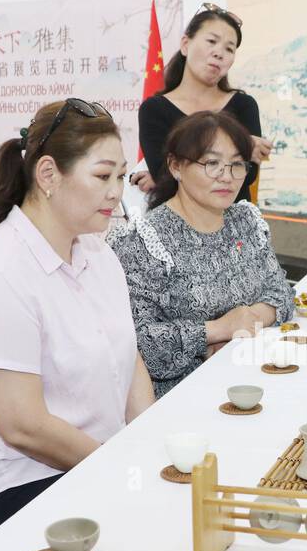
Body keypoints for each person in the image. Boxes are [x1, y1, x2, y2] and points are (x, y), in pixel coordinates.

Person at [0, 99, 155, 534]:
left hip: (91, 461)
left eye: (119, 176)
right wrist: (119, 466)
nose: (117, 191)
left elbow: (130, 359)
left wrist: (146, 449)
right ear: (48, 176)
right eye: (101, 176)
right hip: (17, 485)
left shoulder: (99, 253)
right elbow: (25, 427)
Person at [109, 110, 293, 397]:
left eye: (236, 165)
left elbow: (280, 291)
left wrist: (246, 320)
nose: (227, 177)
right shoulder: (143, 241)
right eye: (211, 163)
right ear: (176, 166)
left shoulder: (245, 220)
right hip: (183, 401)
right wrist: (217, 330)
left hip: (254, 382)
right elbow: (140, 344)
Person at [132, 3, 269, 203]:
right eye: (211, 41)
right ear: (186, 44)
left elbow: (247, 175)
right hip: (176, 227)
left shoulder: (243, 105)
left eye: (229, 49)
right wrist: (238, 148)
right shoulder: (154, 109)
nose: (219, 53)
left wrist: (184, 168)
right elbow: (165, 176)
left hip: (233, 225)